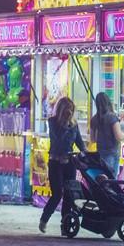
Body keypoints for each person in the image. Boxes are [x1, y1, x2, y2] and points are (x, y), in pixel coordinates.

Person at [39, 96, 85, 233]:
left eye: (71, 110)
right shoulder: (53, 122)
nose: (69, 113)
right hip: (56, 162)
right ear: (61, 110)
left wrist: (86, 154)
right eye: (67, 110)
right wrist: (65, 125)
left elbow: (79, 142)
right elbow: (57, 140)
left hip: (70, 162)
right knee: (57, 193)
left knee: (69, 195)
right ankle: (44, 219)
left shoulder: (74, 124)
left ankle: (65, 225)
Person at [90, 92, 124, 176]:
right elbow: (118, 136)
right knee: (111, 180)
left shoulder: (94, 119)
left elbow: (93, 139)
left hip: (99, 154)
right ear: (108, 102)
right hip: (112, 154)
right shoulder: (112, 117)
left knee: (102, 179)